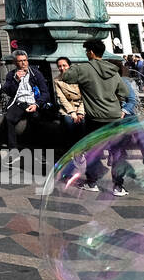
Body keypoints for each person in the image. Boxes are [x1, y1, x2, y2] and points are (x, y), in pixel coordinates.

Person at [56, 39, 132, 196]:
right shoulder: (113, 70)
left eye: (86, 51)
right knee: (117, 152)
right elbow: (124, 92)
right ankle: (118, 186)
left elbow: (66, 77)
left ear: (90, 52)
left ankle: (92, 182)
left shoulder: (84, 69)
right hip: (114, 116)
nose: (85, 54)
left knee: (93, 151)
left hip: (95, 118)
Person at [0, 50, 49, 153]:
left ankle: (39, 151)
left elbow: (45, 93)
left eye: (25, 60)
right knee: (9, 119)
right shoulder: (11, 75)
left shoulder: (36, 74)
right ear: (15, 63)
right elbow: (8, 91)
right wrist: (16, 80)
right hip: (18, 103)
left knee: (36, 119)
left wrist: (37, 104)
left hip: (33, 103)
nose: (23, 63)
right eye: (20, 61)